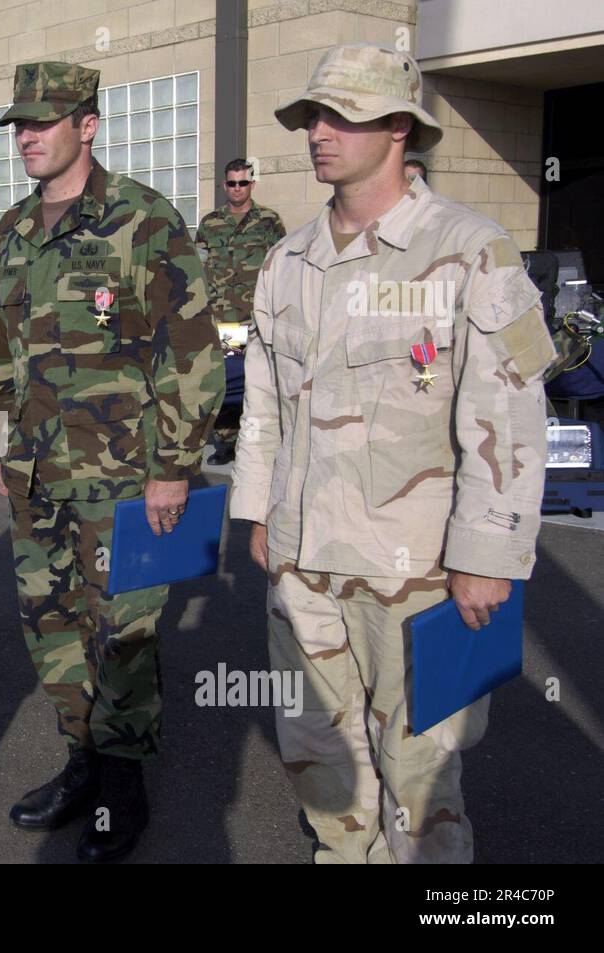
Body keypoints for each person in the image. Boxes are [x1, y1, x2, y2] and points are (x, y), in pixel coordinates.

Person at [232, 43, 556, 863]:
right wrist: (258, 512)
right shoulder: (287, 261)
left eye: (345, 114)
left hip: (418, 574)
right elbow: (264, 405)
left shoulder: (470, 251)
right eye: (313, 114)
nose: (319, 131)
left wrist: (489, 555)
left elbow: (510, 414)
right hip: (304, 565)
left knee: (420, 774)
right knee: (319, 761)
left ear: (401, 130)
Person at [0, 62, 224, 863]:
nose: (26, 136)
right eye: (18, 124)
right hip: (35, 476)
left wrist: (175, 465)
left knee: (122, 631)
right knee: (52, 628)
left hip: (123, 477)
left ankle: (124, 793)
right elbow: (0, 352)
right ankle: (82, 763)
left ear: (87, 124)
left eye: (42, 122)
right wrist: (3, 440)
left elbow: (190, 354)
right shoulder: (12, 231)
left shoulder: (143, 220)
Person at [194, 158, 286, 464]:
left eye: (243, 182)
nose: (237, 188)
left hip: (257, 317)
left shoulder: (269, 221)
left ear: (252, 184)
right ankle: (227, 443)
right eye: (232, 183)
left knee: (259, 383)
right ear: (224, 185)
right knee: (230, 384)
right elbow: (199, 265)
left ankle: (258, 442)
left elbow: (282, 267)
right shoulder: (210, 223)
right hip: (227, 321)